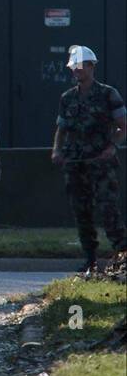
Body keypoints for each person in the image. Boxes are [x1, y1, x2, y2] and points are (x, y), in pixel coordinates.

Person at [51, 45, 127, 275]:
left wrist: (112, 146)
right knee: (81, 212)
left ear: (92, 66)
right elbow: (61, 128)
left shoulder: (108, 94)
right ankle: (90, 261)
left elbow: (122, 126)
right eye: (74, 66)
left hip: (100, 164)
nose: (77, 70)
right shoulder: (68, 98)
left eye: (81, 66)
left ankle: (122, 256)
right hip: (76, 164)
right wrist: (57, 150)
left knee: (108, 210)